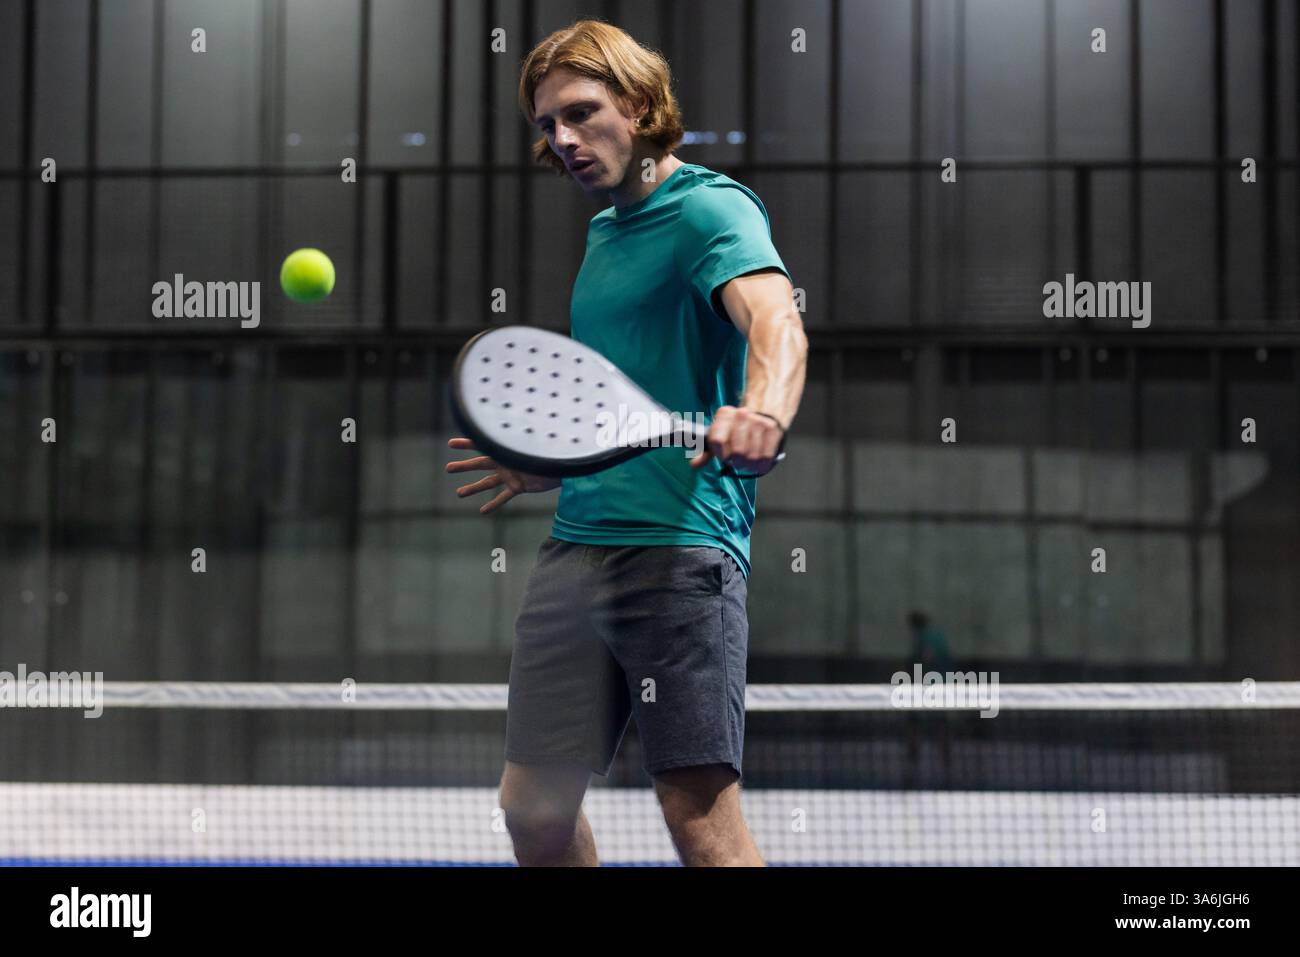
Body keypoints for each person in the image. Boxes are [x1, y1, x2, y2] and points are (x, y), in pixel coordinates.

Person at [446, 19, 807, 866]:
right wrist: (550, 463)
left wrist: (765, 411)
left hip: (680, 555)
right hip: (576, 548)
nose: (563, 139)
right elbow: (622, 398)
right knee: (531, 807)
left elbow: (776, 322)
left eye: (580, 112)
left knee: (698, 822)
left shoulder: (709, 208)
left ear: (641, 105)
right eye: (547, 126)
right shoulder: (607, 232)